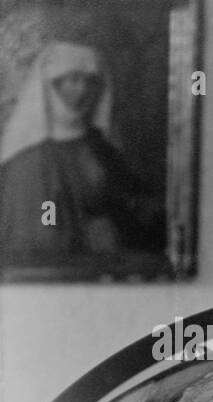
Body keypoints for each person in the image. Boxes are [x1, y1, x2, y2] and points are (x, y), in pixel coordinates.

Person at [0, 39, 163, 266]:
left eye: (90, 81)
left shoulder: (97, 144)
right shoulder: (31, 159)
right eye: (74, 80)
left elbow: (128, 200)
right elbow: (41, 230)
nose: (83, 89)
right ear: (52, 86)